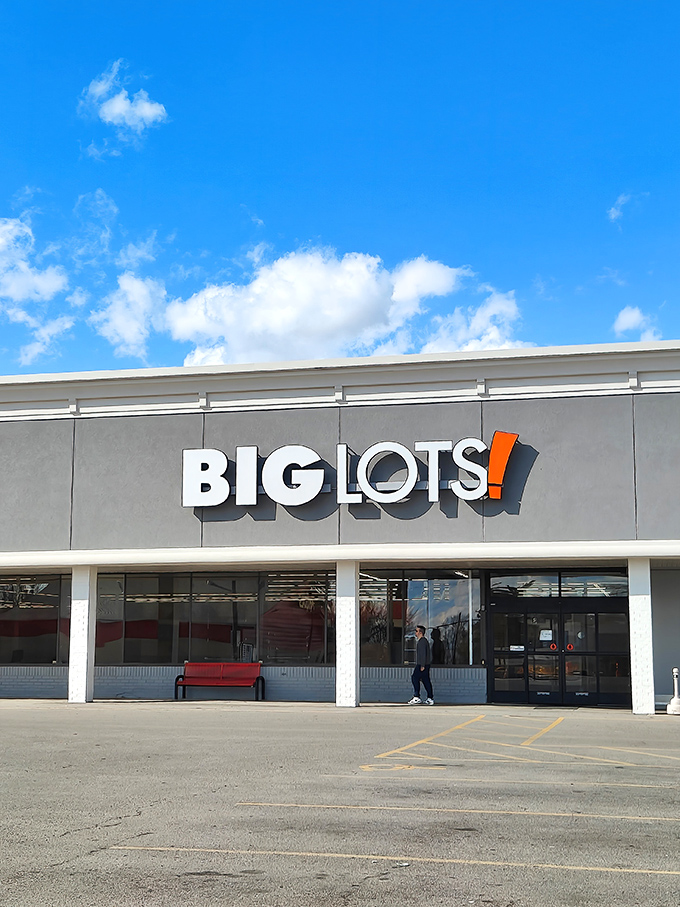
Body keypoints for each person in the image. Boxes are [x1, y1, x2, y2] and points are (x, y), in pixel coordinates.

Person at [408, 625, 434, 705]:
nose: (415, 633)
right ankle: (430, 698)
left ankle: (417, 697)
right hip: (425, 664)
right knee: (426, 681)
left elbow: (423, 654)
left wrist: (422, 665)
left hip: (421, 665)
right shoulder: (424, 641)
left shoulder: (422, 642)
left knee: (414, 678)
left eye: (416, 631)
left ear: (420, 632)